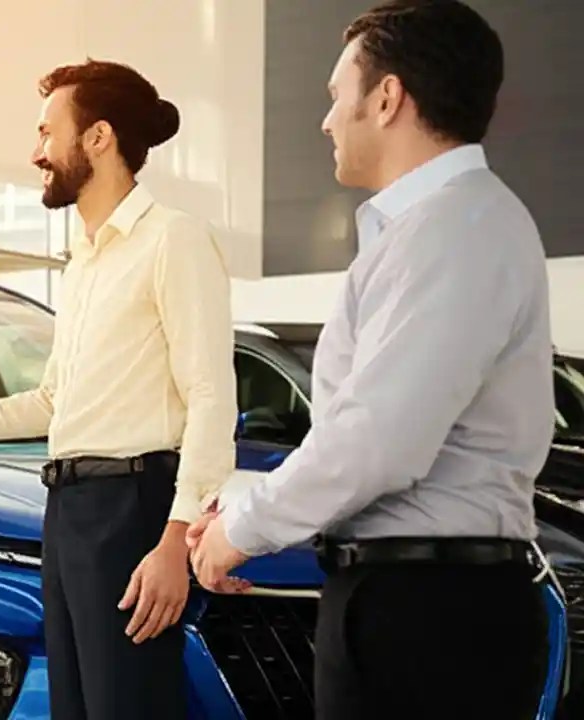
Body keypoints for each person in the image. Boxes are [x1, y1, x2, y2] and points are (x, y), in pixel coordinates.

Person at [187, 2, 553, 718]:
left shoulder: (457, 226)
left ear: (387, 98)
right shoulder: (436, 225)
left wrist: (243, 529)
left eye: (335, 96)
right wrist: (243, 510)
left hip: (430, 620)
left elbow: (377, 440)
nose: (327, 121)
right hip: (416, 603)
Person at [0, 59, 239, 718]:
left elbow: (212, 397)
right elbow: (51, 402)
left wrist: (174, 542)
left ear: (97, 138)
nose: (37, 152)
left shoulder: (173, 240)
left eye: (48, 133)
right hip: (67, 512)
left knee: (128, 708)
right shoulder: (85, 261)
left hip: (133, 511)